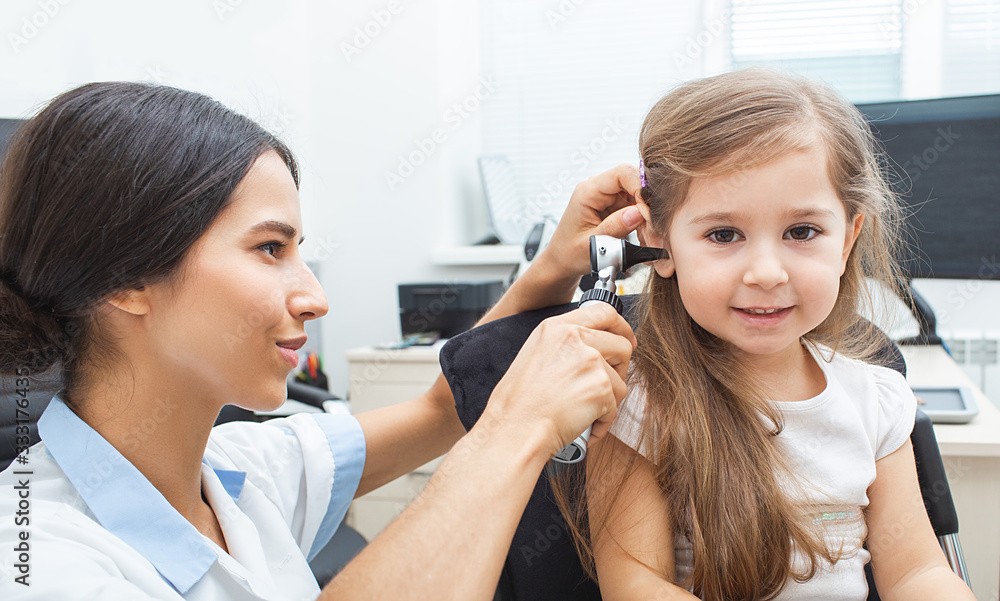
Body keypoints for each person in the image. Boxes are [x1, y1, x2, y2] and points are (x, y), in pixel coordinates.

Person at [0, 81, 644, 600]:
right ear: (125, 278)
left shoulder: (243, 469)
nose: (316, 297)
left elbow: (442, 410)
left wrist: (555, 268)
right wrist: (517, 428)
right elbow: (483, 416)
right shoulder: (38, 559)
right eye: (269, 248)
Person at [564, 69, 977, 601]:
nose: (767, 272)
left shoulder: (877, 400)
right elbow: (636, 585)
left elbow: (917, 572)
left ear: (848, 239)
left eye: (801, 232)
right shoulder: (636, 403)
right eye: (724, 234)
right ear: (659, 243)